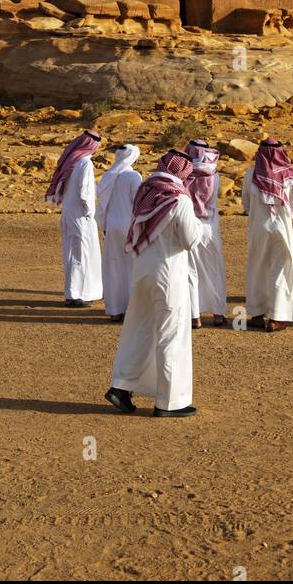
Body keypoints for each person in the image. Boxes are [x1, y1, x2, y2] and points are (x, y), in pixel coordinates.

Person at [105, 149, 203, 417]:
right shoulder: (179, 199)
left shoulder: (145, 191)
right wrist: (201, 226)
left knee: (139, 328)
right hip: (168, 273)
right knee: (171, 334)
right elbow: (190, 240)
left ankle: (121, 387)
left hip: (142, 270)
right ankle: (170, 402)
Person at [243, 138, 293, 333]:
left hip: (259, 228)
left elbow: (246, 204)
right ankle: (276, 318)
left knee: (257, 268)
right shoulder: (290, 176)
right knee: (280, 269)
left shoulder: (251, 175)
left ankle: (257, 314)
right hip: (282, 230)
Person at [45, 129, 103, 308]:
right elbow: (85, 193)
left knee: (72, 254)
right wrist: (91, 213)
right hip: (81, 216)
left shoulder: (72, 161)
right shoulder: (85, 163)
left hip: (69, 214)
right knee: (82, 255)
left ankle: (73, 293)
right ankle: (79, 295)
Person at [184, 138, 228, 328]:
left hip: (190, 226)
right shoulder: (214, 174)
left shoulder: (185, 174)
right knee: (214, 270)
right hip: (210, 228)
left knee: (191, 271)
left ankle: (195, 316)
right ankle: (218, 313)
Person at [97, 143, 141, 322]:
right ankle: (132, 309)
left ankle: (114, 309)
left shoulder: (108, 176)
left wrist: (104, 225)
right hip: (129, 226)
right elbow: (138, 204)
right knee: (131, 267)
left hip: (111, 226)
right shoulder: (133, 176)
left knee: (113, 266)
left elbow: (101, 205)